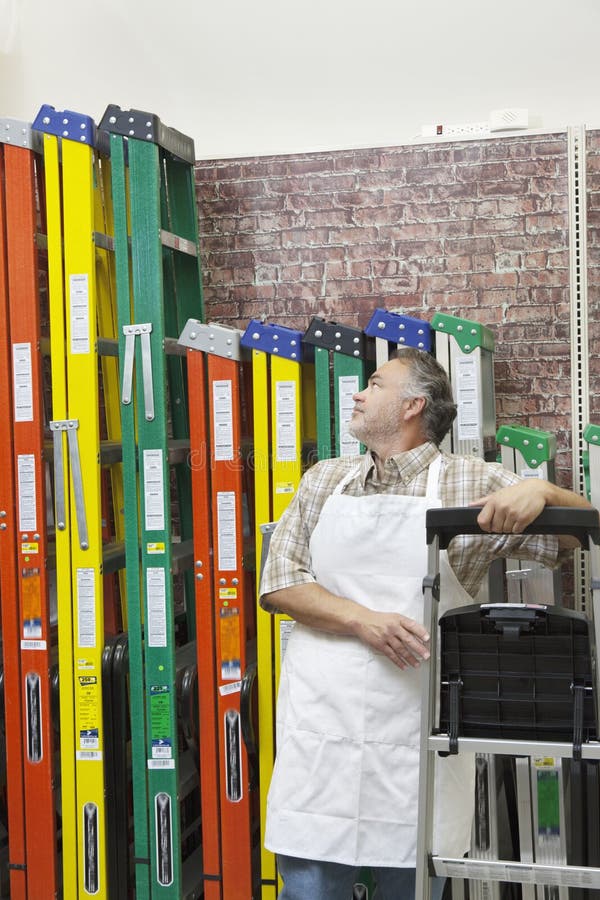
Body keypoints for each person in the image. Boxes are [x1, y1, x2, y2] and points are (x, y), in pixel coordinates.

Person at [259, 346, 591, 900]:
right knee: (310, 887)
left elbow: (579, 532)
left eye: (374, 383)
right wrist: (363, 621)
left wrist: (543, 490)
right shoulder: (325, 480)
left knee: (408, 884)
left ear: (413, 405)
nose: (358, 394)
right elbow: (278, 583)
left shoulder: (469, 482)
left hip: (414, 734)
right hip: (322, 733)